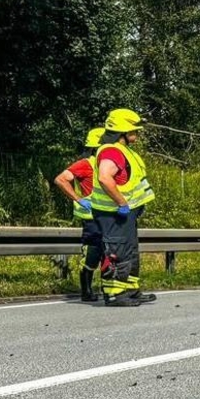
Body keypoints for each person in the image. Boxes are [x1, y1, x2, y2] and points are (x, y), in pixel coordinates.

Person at [89, 109, 156, 307]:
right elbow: (104, 177)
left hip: (125, 214)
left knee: (129, 251)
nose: (137, 133)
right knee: (117, 251)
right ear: (122, 132)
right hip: (114, 213)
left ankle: (131, 290)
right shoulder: (111, 151)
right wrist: (122, 203)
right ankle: (114, 294)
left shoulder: (124, 151)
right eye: (134, 130)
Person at [52, 127, 107, 302]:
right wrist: (79, 198)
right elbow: (61, 179)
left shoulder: (106, 164)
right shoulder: (86, 163)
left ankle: (109, 290)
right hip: (92, 219)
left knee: (109, 254)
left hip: (108, 217)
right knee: (92, 254)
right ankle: (86, 290)